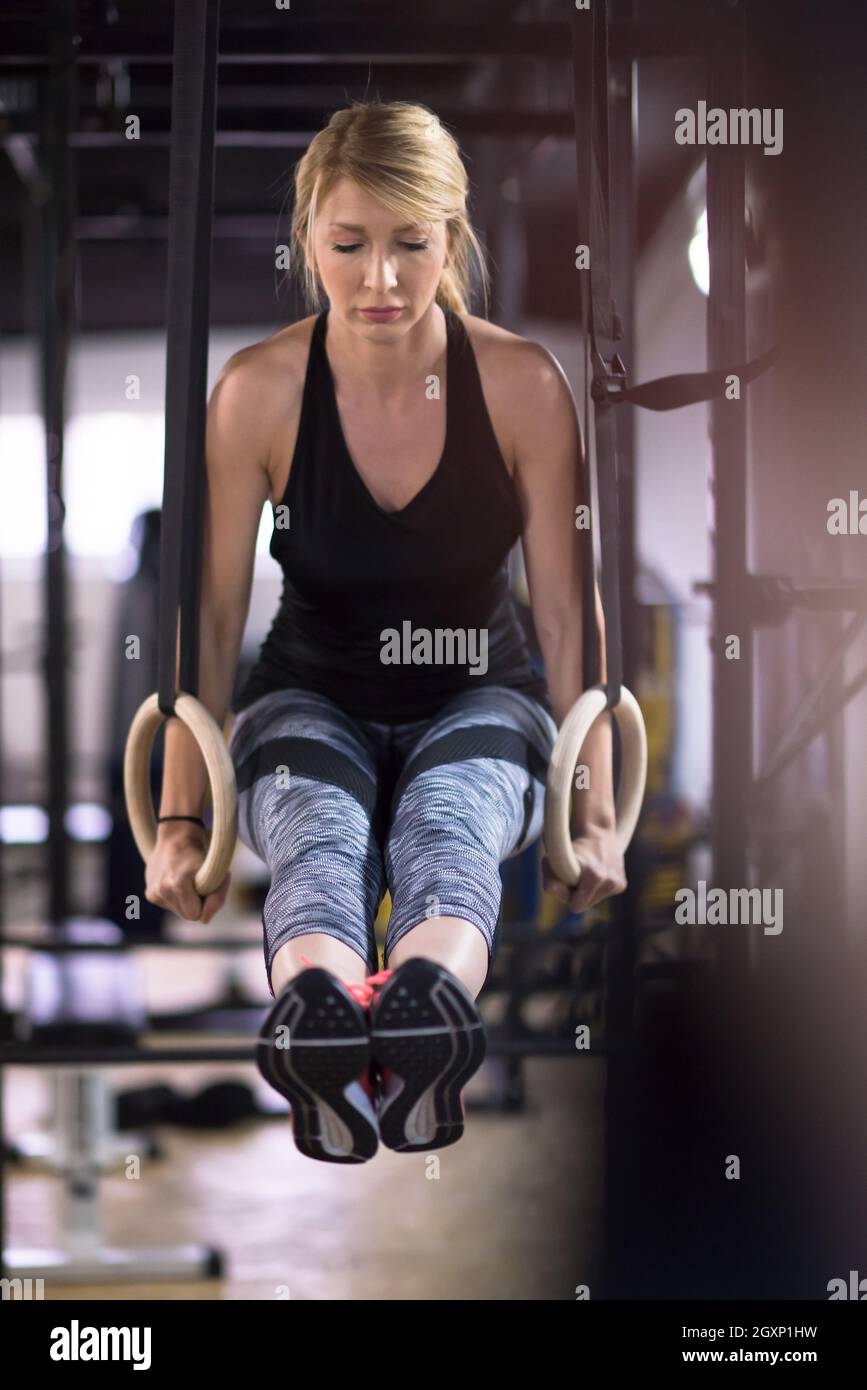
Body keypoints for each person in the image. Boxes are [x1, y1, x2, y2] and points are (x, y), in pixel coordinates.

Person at [145, 101, 625, 1164]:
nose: (380, 281)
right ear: (307, 235)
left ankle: (421, 1020)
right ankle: (316, 1013)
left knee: (449, 822)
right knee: (318, 830)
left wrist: (592, 811)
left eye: (412, 245)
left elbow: (564, 609)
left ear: (451, 238)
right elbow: (213, 616)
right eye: (349, 245)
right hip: (309, 695)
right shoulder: (258, 394)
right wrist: (181, 817)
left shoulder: (520, 387)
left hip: (478, 694)